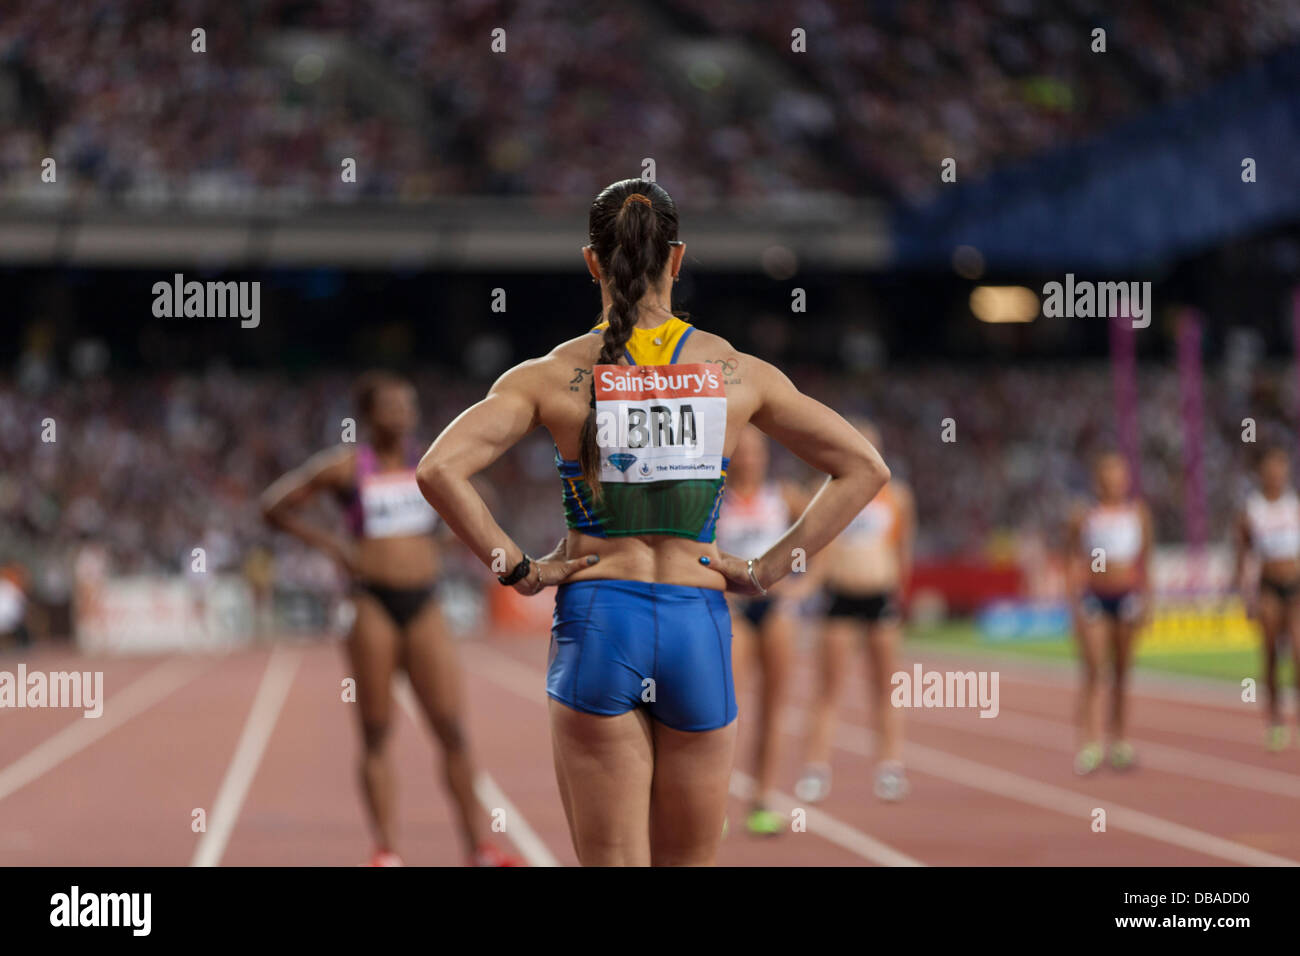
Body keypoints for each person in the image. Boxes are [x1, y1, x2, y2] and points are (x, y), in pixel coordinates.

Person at [416, 179, 889, 866]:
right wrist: (768, 568)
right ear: (677, 258)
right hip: (697, 625)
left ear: (591, 262)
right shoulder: (732, 370)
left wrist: (517, 569)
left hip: (600, 621)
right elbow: (864, 467)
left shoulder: (553, 375)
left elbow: (437, 470)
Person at [262, 371, 520, 867]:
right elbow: (273, 506)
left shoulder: (434, 464)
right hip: (371, 603)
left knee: (452, 729)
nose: (403, 413)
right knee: (377, 731)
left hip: (425, 600)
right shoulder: (343, 468)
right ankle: (386, 851)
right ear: (369, 414)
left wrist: (448, 541)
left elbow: (486, 493)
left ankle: (479, 848)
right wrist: (334, 546)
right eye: (392, 406)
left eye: (409, 404)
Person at [795, 420, 915, 803]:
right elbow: (814, 547)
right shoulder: (825, 491)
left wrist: (899, 594)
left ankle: (890, 768)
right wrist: (802, 589)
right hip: (838, 596)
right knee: (828, 689)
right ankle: (816, 770)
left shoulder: (898, 496)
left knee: (885, 689)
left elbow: (903, 550)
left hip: (879, 596)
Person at [715, 425, 811, 835]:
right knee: (723, 710)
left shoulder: (784, 496)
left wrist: (802, 587)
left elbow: (824, 539)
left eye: (758, 451)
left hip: (776, 610)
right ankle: (713, 803)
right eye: (744, 450)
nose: (751, 458)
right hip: (735, 610)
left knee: (774, 708)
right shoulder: (716, 499)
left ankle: (762, 799)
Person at [1065, 452, 1152, 775]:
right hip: (1094, 597)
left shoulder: (1137, 513)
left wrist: (1148, 600)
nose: (1116, 481)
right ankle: (1089, 742)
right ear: (1098, 480)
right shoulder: (1084, 515)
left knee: (1122, 673)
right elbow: (1072, 558)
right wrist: (1073, 603)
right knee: (1093, 669)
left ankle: (1119, 741)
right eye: (1109, 475)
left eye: (1120, 474)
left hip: (1127, 595)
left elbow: (1146, 560)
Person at [1233, 445, 1300, 751]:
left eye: (1281, 468)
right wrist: (1247, 594)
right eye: (1271, 469)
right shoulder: (1252, 509)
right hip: (1268, 586)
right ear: (1262, 473)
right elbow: (1244, 554)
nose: (1276, 474)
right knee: (1272, 653)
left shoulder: (1294, 504)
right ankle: (1274, 719)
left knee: (1299, 650)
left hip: (1296, 584)